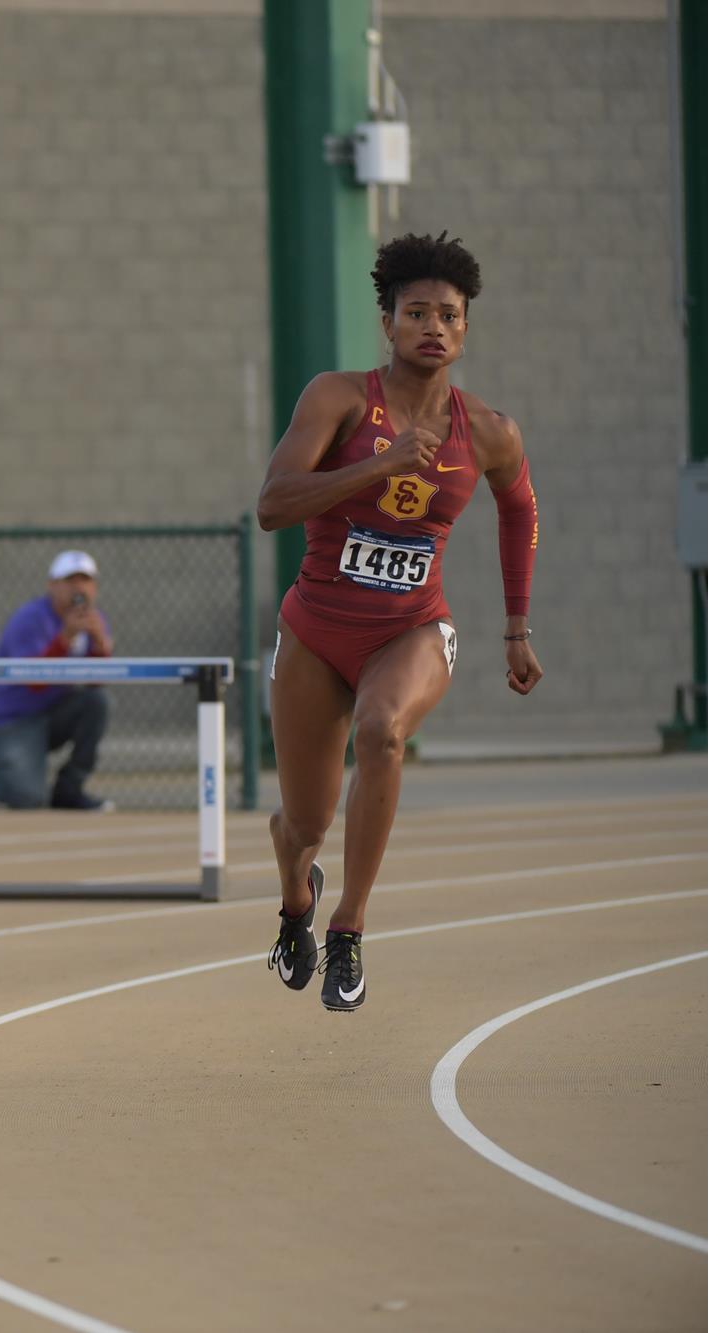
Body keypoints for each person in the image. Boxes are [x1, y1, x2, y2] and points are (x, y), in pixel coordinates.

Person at [258, 231, 541, 1013]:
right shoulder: (339, 399)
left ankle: (349, 927)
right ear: (388, 323)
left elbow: (520, 507)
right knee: (302, 821)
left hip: (412, 630)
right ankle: (297, 900)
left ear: (464, 329)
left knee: (383, 732)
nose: (434, 327)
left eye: (449, 316)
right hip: (316, 631)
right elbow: (272, 506)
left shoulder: (487, 430)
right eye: (416, 312)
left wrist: (516, 625)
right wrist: (378, 464)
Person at [0, 550, 115, 812]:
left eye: (85, 581)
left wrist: (100, 645)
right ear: (52, 585)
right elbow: (34, 681)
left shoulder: (95, 622)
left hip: (51, 714)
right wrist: (65, 639)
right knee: (26, 799)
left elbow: (97, 683)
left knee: (97, 703)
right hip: (10, 720)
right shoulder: (31, 619)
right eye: (70, 581)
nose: (78, 588)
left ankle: (69, 789)